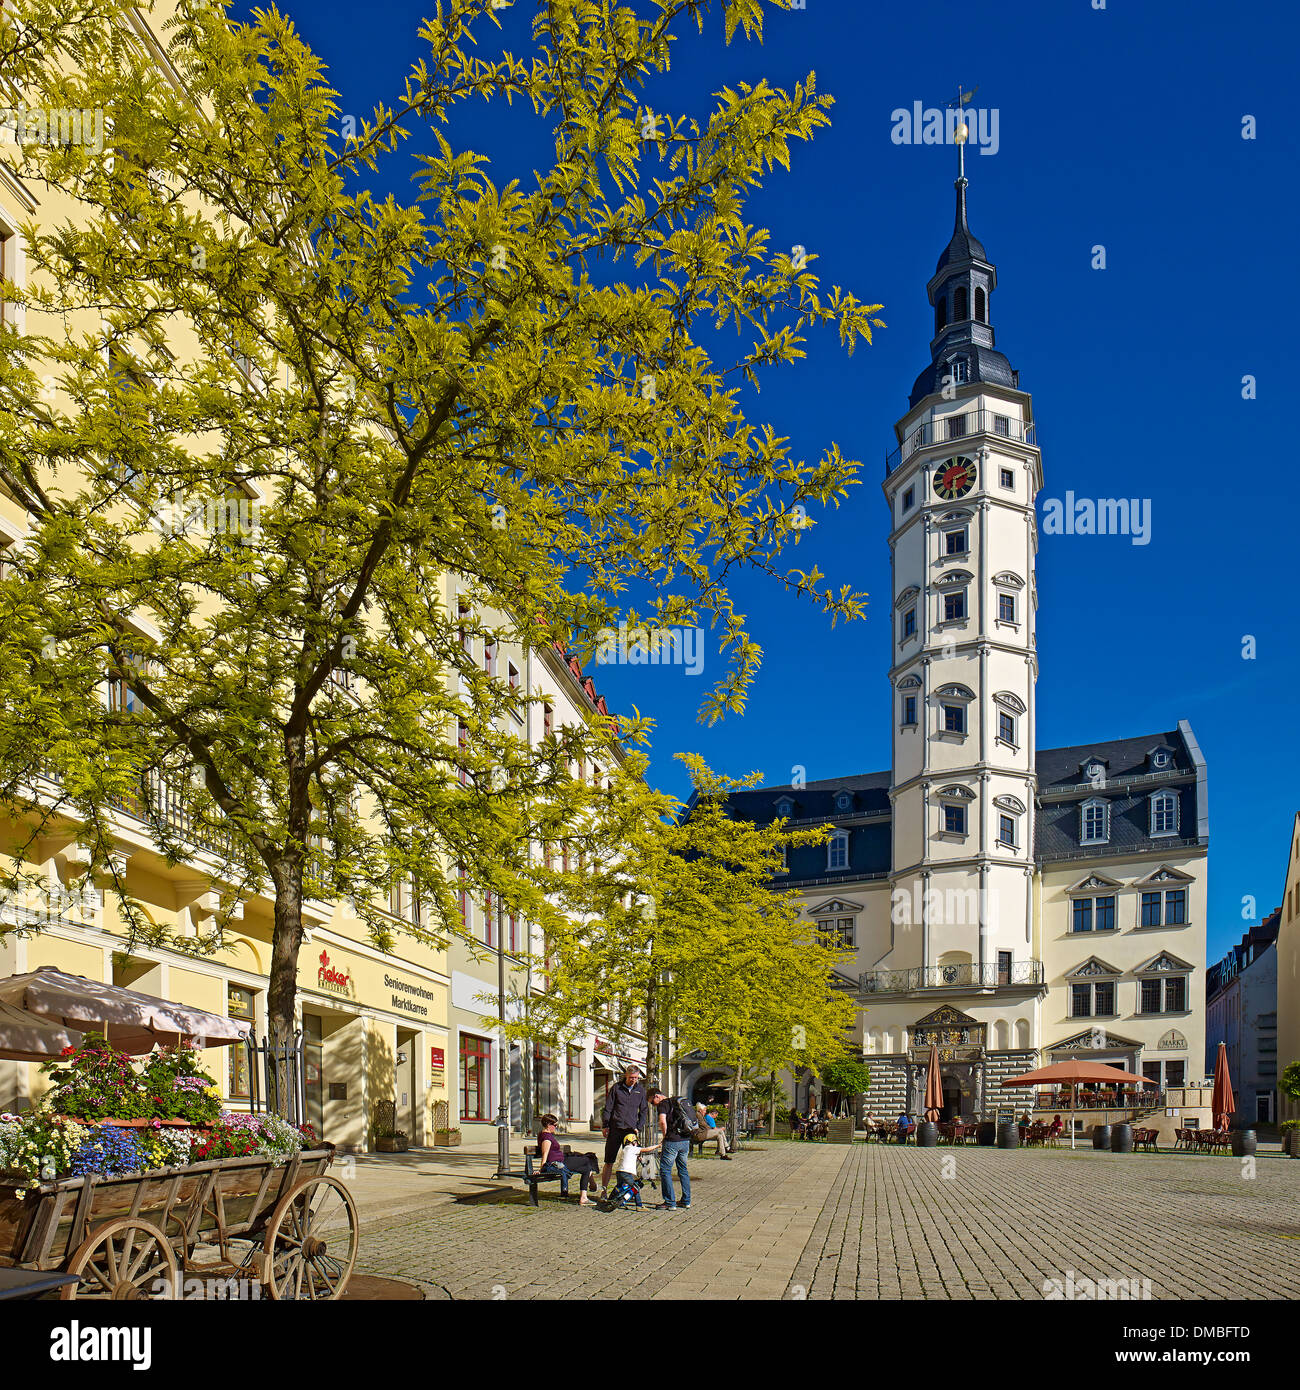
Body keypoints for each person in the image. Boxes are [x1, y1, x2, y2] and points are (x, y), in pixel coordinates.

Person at [600, 1064, 648, 1197]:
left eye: (636, 1078)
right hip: (615, 1129)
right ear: (626, 1076)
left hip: (630, 1131)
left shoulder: (640, 1090)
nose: (633, 1080)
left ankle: (625, 1191)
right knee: (609, 1161)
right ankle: (603, 1191)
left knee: (629, 1162)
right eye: (631, 1077)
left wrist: (639, 1126)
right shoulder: (616, 1088)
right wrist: (605, 1125)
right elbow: (608, 1107)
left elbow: (644, 1110)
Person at [537, 1113, 597, 1205]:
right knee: (586, 1160)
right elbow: (545, 1153)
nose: (556, 1127)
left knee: (586, 1167)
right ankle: (592, 1186)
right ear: (549, 1125)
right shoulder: (546, 1137)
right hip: (557, 1163)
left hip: (561, 1160)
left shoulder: (545, 1135)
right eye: (555, 1125)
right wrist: (541, 1168)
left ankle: (584, 1197)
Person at [649, 1082, 692, 1210]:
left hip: (672, 1141)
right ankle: (686, 1200)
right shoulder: (676, 1101)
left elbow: (662, 1121)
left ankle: (670, 1202)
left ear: (656, 1096)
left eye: (652, 1102)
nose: (653, 1105)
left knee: (666, 1170)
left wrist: (665, 1136)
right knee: (683, 1170)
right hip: (685, 1140)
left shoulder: (663, 1104)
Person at [608, 1129, 660, 1210]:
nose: (636, 1144)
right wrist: (658, 1146)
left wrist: (639, 1158)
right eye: (636, 1142)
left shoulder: (625, 1149)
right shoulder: (632, 1148)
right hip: (626, 1173)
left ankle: (612, 1200)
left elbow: (631, 1157)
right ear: (633, 1142)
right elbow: (646, 1149)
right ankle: (639, 1206)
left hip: (619, 1172)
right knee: (635, 1188)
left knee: (621, 1187)